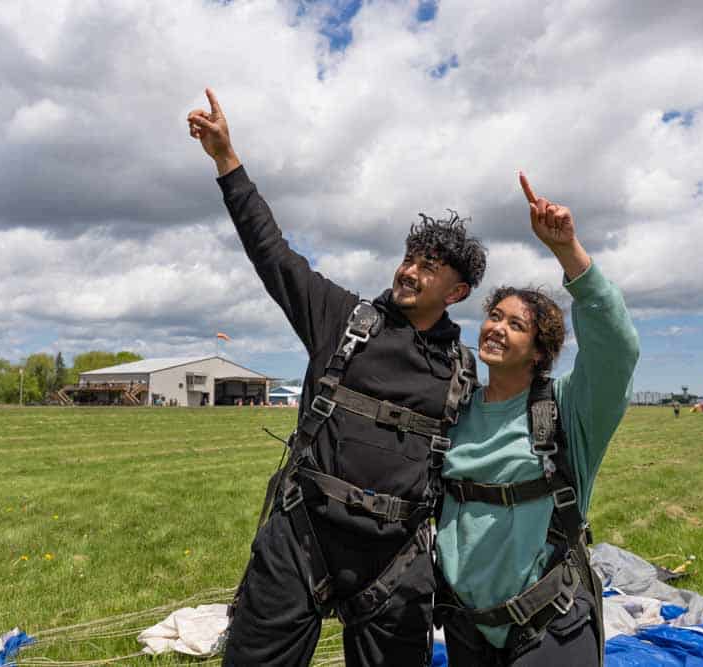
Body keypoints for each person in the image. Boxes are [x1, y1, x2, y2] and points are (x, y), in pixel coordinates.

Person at [187, 89, 487, 666]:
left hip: (396, 560)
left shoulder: (464, 372)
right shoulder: (343, 319)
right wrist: (228, 161)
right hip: (301, 537)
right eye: (408, 257)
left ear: (456, 293)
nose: (409, 271)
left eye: (428, 267)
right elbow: (273, 254)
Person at [434, 173, 640, 666]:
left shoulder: (568, 410)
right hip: (466, 626)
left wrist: (569, 251)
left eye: (515, 324)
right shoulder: (452, 410)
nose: (496, 328)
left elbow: (617, 347)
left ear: (541, 350)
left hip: (550, 622)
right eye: (494, 316)